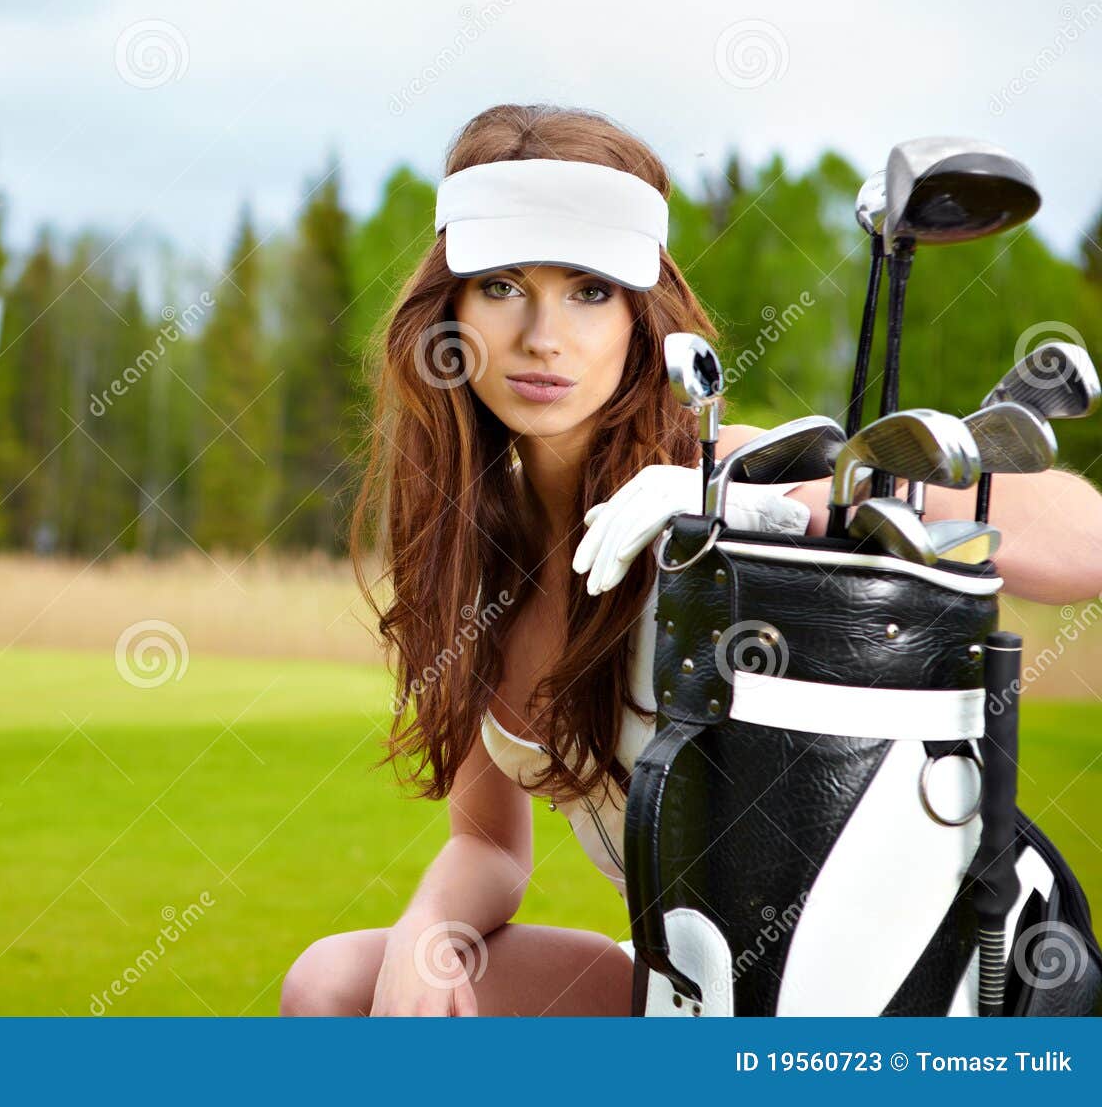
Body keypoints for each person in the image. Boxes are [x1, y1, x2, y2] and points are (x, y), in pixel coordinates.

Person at [278, 103, 1102, 1017]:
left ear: (643, 319)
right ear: (451, 310)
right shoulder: (482, 554)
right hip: (693, 984)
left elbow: (1085, 542)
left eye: (590, 290)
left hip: (893, 988)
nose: (544, 336)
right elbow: (491, 849)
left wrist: (775, 507)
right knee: (331, 987)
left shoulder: (722, 474)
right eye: (504, 285)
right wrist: (432, 932)